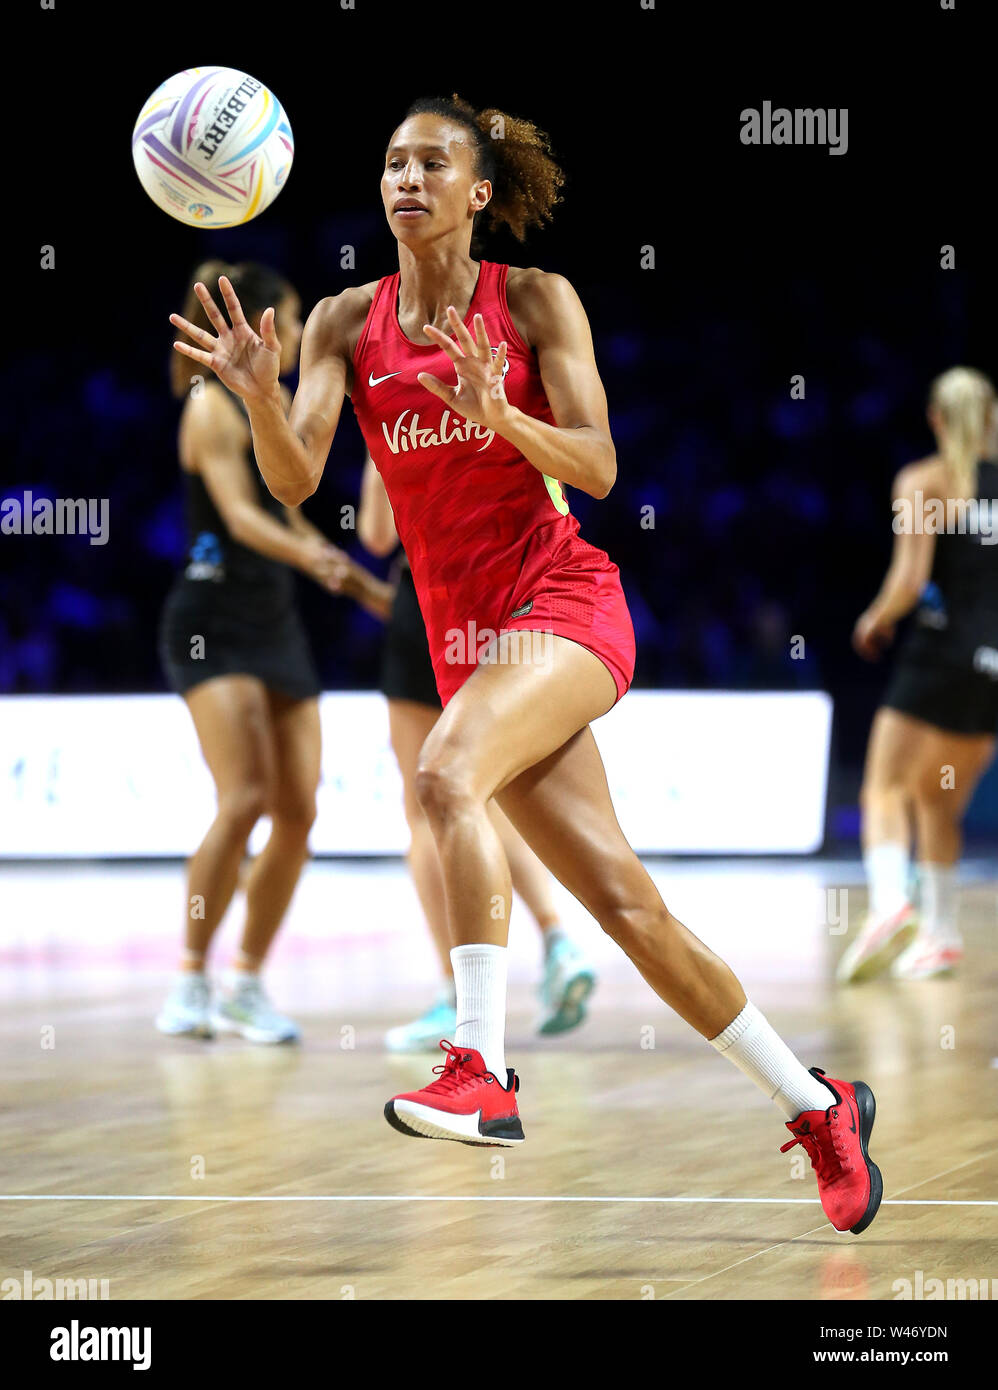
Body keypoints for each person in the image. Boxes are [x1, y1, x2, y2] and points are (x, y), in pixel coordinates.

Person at [169, 97, 884, 1233]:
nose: (406, 180)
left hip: (562, 605)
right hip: (464, 642)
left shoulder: (536, 300)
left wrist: (503, 414)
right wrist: (260, 398)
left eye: (432, 163)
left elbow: (597, 466)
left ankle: (481, 1067)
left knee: (444, 775)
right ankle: (817, 1103)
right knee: (625, 909)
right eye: (392, 163)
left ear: (479, 192)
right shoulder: (345, 325)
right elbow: (299, 479)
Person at [333, 453, 598, 1048]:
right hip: (510, 604)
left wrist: (378, 455)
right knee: (491, 796)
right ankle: (559, 939)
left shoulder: (399, 421)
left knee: (427, 813)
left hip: (428, 608)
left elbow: (376, 536)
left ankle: (457, 997)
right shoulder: (499, 410)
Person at [157, 259, 343, 1043]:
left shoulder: (268, 406)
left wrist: (354, 579)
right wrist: (314, 561)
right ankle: (190, 978)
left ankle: (245, 985)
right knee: (244, 801)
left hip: (274, 621)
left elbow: (291, 513)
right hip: (213, 617)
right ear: (259, 324)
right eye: (292, 319)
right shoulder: (207, 405)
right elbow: (240, 518)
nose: (299, 335)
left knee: (298, 812)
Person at [840, 367, 998, 982]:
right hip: (992, 668)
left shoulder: (925, 481)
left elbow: (910, 580)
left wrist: (874, 619)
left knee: (883, 787)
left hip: (941, 651)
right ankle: (940, 934)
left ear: (936, 417)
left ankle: (886, 906)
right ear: (990, 418)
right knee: (938, 802)